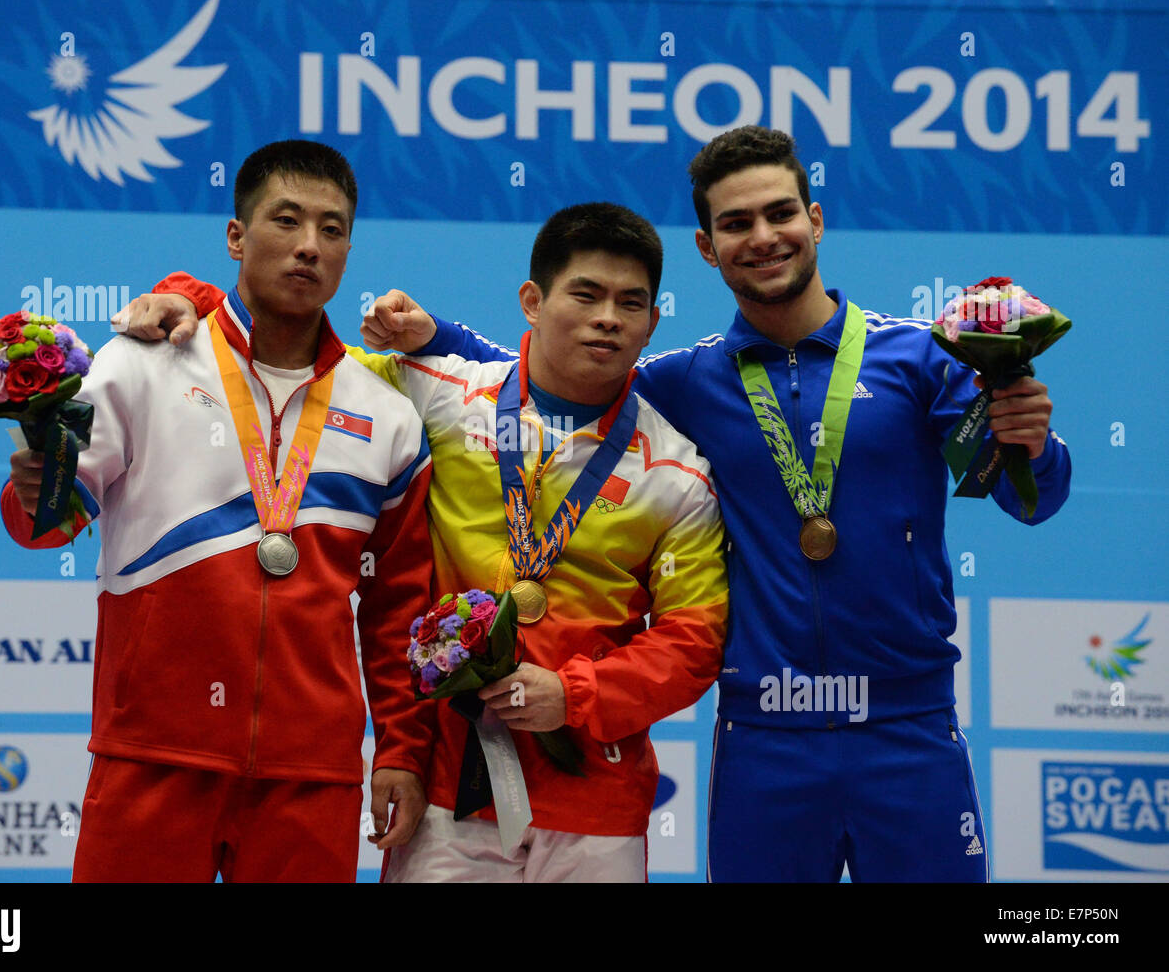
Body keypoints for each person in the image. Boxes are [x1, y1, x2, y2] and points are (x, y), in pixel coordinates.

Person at [357, 126, 1071, 882]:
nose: (763, 237)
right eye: (736, 223)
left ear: (816, 220)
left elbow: (1034, 500)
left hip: (908, 726)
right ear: (707, 245)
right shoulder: (684, 382)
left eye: (780, 214)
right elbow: (550, 371)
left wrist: (1035, 442)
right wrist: (440, 336)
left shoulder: (921, 359)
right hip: (768, 737)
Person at [119, 203, 728, 882]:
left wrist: (575, 692)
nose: (609, 317)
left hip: (594, 798)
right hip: (442, 792)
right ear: (532, 300)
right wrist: (192, 294)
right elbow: (285, 353)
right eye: (586, 293)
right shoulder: (436, 393)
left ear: (652, 322)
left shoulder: (677, 470)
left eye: (631, 303)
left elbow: (693, 638)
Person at [2, 140, 435, 882]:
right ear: (236, 235)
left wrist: (399, 748)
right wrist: (39, 478)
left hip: (312, 772)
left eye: (331, 230)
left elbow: (400, 609)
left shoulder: (387, 416)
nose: (308, 247)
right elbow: (47, 523)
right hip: (153, 754)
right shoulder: (142, 360)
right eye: (286, 221)